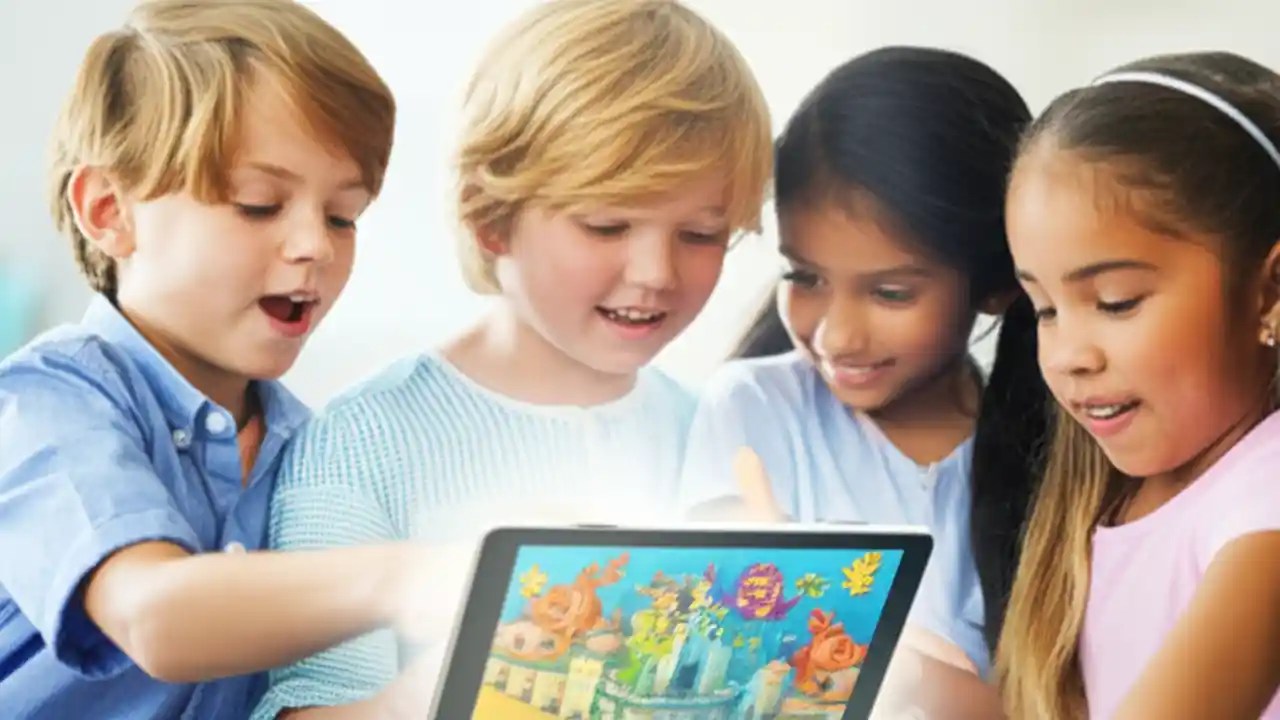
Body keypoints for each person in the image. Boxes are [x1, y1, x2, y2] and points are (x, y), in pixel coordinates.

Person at [250, 1, 773, 717]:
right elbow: (311, 709)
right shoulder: (364, 442)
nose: (657, 271)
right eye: (606, 224)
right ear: (490, 216)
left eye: (703, 233)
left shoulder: (712, 433)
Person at [679, 47, 1049, 718]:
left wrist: (877, 651)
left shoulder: (1057, 448)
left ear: (997, 281)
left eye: (890, 292)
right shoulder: (754, 410)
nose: (836, 335)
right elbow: (740, 654)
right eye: (805, 277)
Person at [997, 51, 1280, 719]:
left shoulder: (1265, 506)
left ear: (1270, 289)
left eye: (1117, 301)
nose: (1068, 355)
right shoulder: (1119, 496)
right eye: (1043, 309)